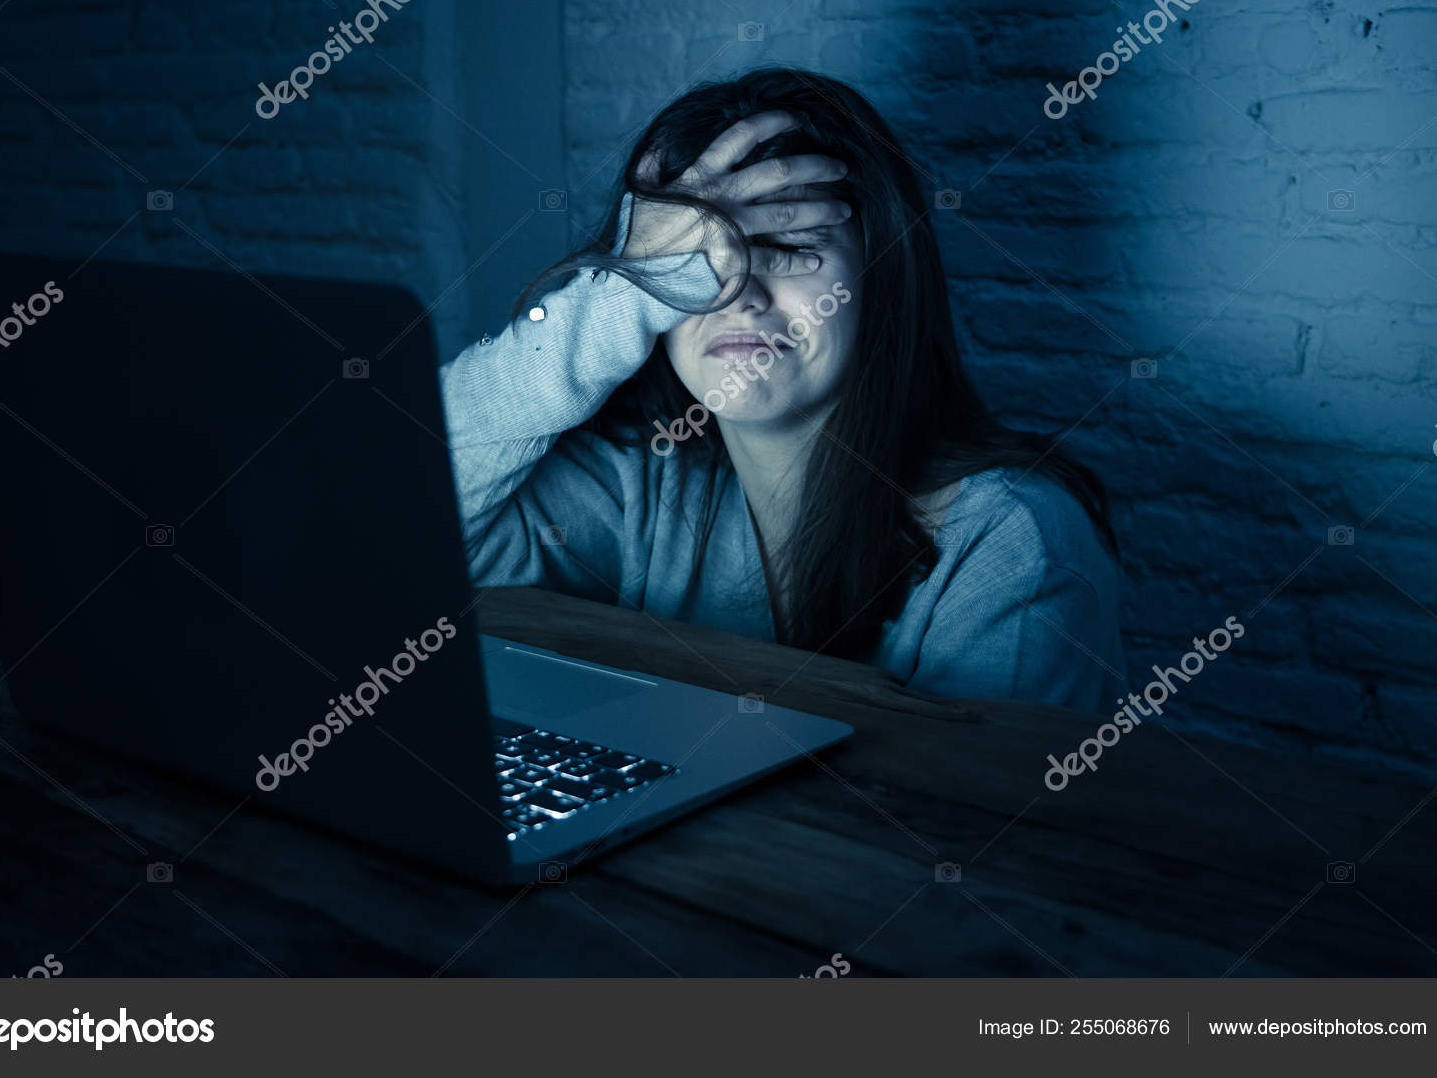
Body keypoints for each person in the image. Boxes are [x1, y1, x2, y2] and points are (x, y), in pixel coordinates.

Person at [438, 68, 1124, 711]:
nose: (738, 290)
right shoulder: (642, 490)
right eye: (694, 258)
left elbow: (959, 830)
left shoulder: (1008, 546)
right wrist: (621, 288)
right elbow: (408, 510)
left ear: (883, 281)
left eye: (791, 244)